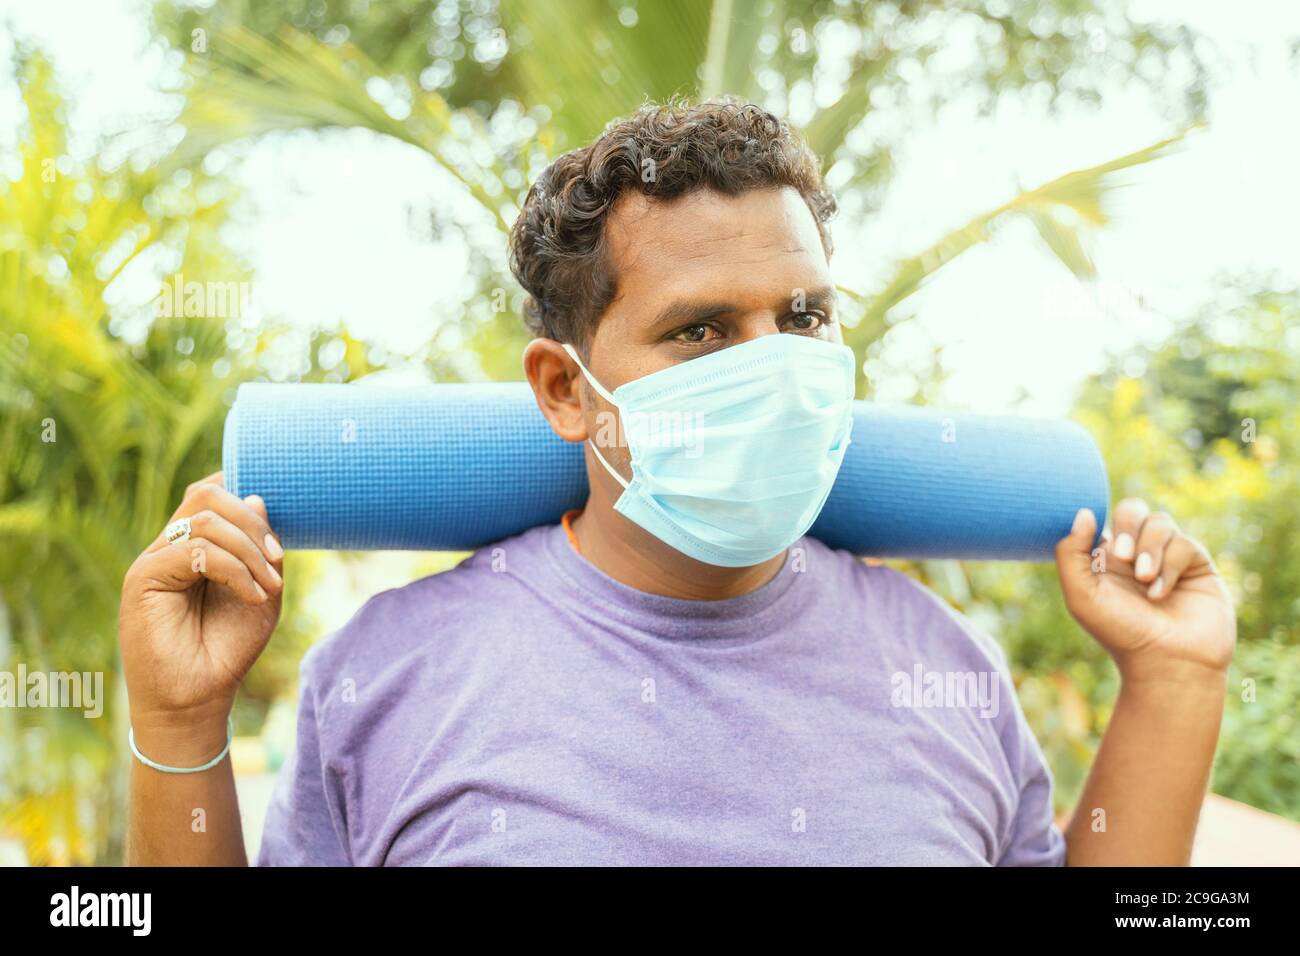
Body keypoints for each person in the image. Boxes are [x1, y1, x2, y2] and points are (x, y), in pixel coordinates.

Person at [119, 100, 1235, 866]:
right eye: (702, 329)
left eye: (803, 317)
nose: (780, 366)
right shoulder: (385, 674)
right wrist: (179, 715)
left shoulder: (945, 668)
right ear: (565, 389)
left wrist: (1173, 685)